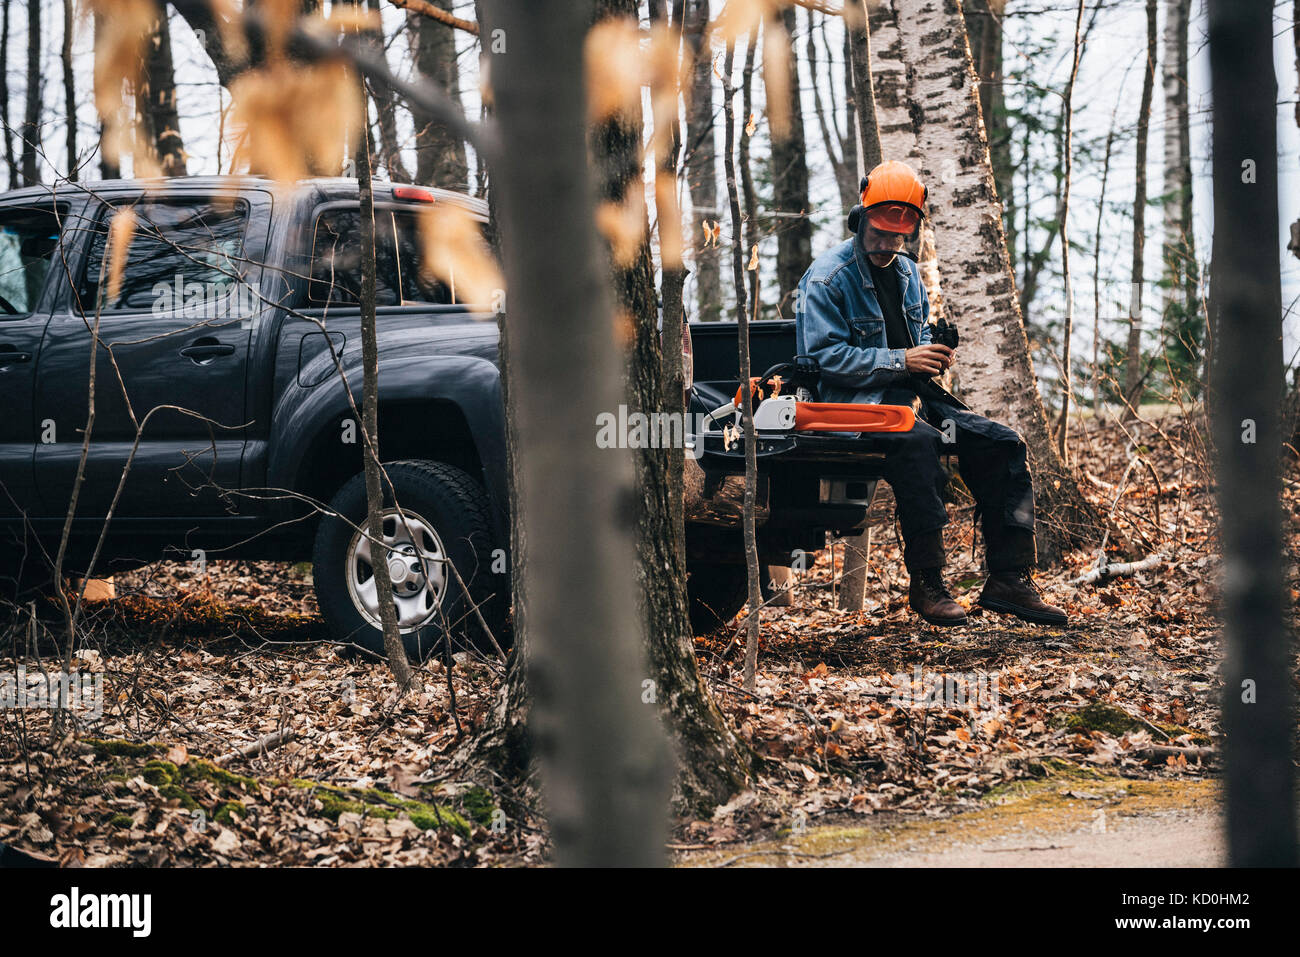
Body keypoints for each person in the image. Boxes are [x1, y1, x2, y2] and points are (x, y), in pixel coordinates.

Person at [795, 160, 1067, 628]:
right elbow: (822, 359)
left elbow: (915, 339)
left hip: (914, 399)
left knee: (1003, 445)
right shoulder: (826, 278)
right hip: (854, 408)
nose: (887, 246)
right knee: (919, 444)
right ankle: (928, 583)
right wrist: (901, 361)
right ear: (860, 220)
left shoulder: (906, 274)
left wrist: (932, 354)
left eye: (898, 237)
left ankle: (1009, 578)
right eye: (880, 234)